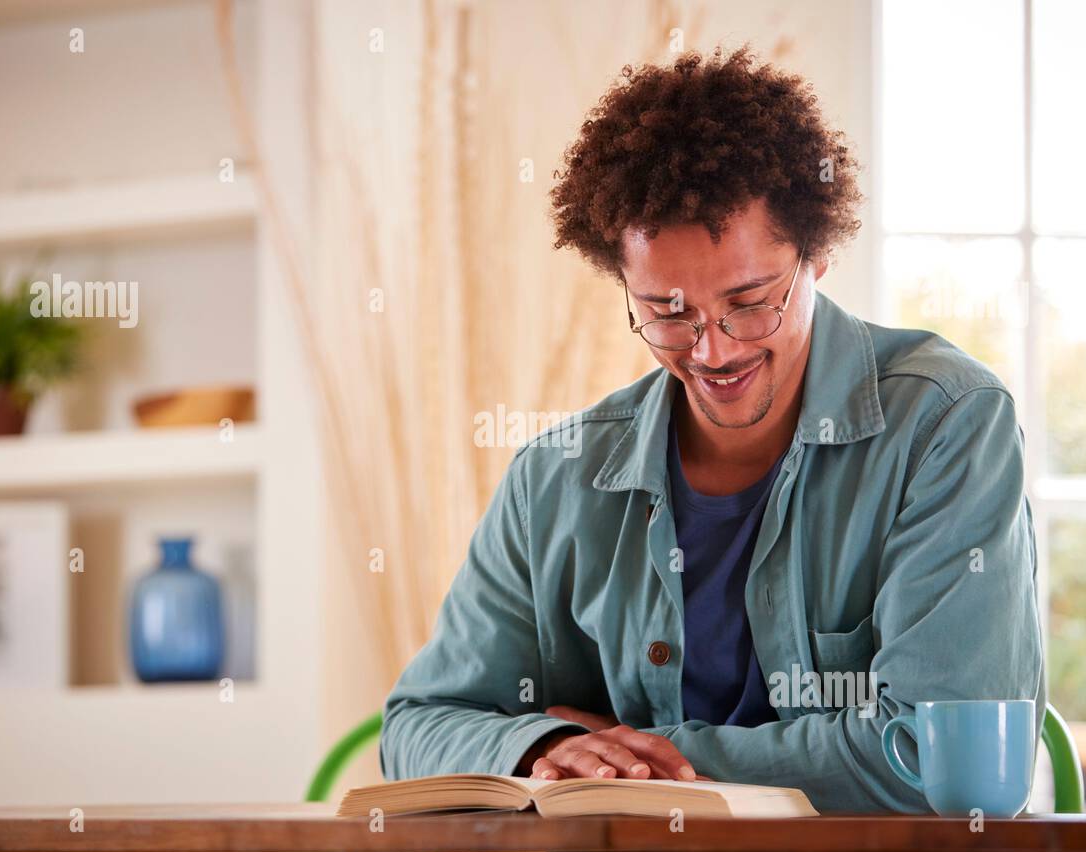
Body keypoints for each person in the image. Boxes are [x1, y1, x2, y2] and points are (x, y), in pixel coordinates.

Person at [379, 45, 1044, 813]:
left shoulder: (945, 426)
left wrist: (641, 762)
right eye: (667, 312)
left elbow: (934, 761)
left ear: (818, 256)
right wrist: (543, 747)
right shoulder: (552, 477)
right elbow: (418, 726)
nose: (713, 349)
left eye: (752, 300)